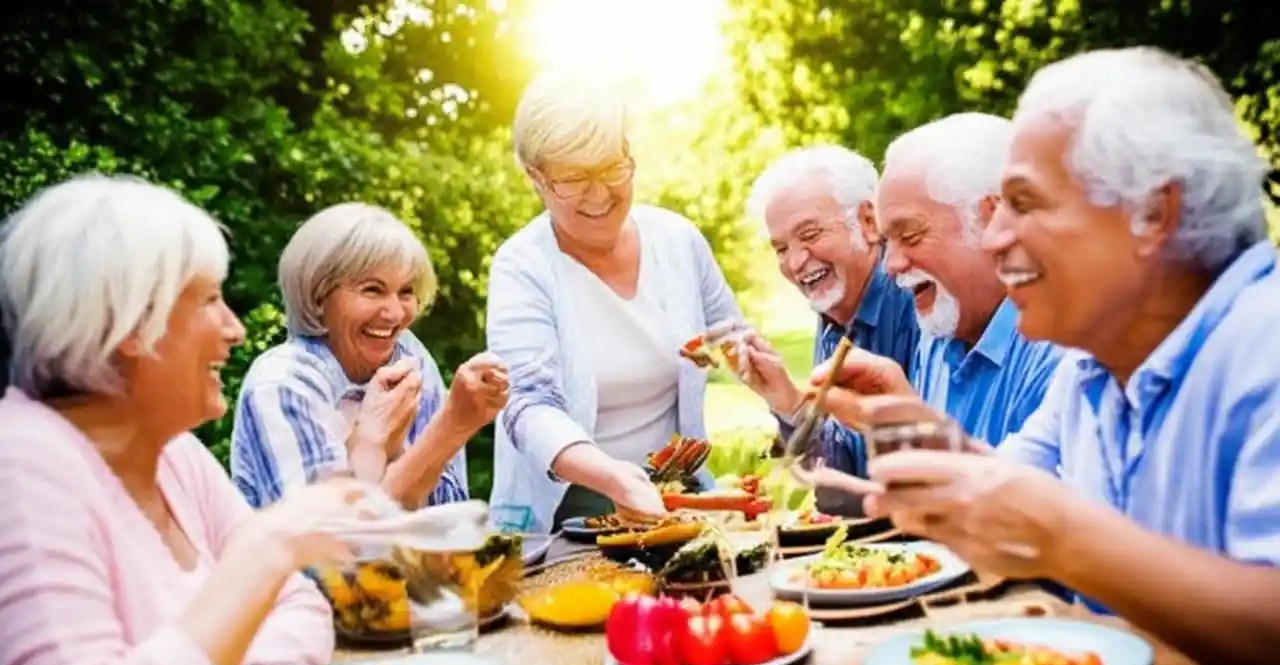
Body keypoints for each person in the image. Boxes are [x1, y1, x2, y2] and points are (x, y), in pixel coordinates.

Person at [810, 48, 1280, 665]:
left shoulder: (1265, 343)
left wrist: (1064, 538)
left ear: (1153, 213)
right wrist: (916, 434)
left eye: (1022, 203)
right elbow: (1006, 493)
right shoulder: (1093, 366)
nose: (996, 237)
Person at [0, 176, 367, 665]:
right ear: (131, 320)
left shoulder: (176, 454)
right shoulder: (21, 464)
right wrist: (266, 550)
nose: (234, 329)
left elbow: (302, 605)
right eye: (211, 300)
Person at [487, 70, 744, 532]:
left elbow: (734, 339)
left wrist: (774, 388)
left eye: (611, 167)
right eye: (575, 178)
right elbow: (527, 405)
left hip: (677, 497)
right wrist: (612, 479)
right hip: (574, 509)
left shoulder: (677, 241)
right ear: (536, 178)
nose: (600, 193)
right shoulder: (523, 266)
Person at [232, 203, 507, 510]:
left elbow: (446, 515)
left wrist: (406, 448)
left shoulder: (407, 355)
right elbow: (324, 548)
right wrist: (450, 426)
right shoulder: (283, 384)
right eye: (373, 290)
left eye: (406, 291)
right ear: (318, 296)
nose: (394, 313)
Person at [835, 113, 1061, 447]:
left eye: (910, 235)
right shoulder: (939, 333)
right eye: (887, 242)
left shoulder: (1062, 352)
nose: (891, 265)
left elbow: (1032, 495)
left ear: (994, 217)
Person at [740, 146, 919, 514]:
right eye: (780, 248)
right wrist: (787, 401)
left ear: (869, 222)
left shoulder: (917, 300)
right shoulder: (833, 315)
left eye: (810, 234)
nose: (795, 262)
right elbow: (840, 481)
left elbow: (924, 475)